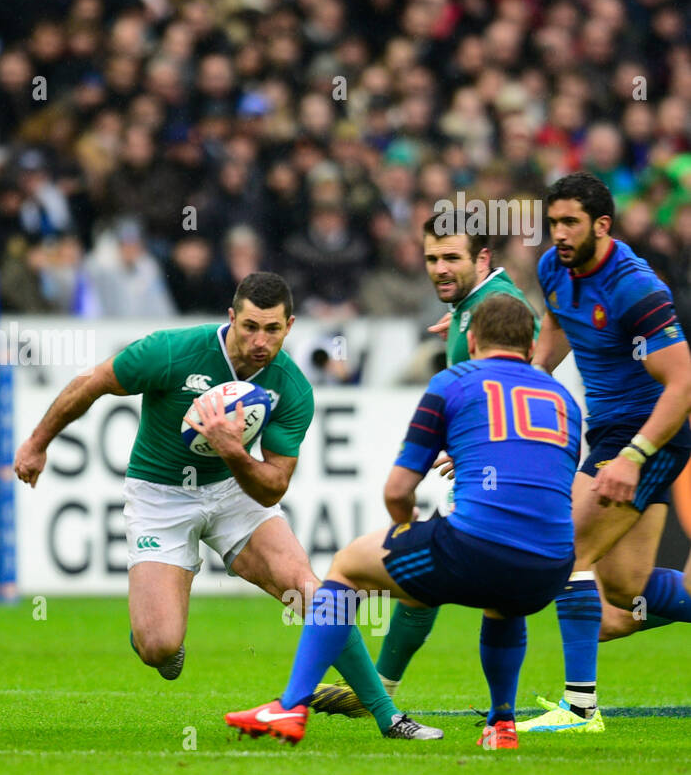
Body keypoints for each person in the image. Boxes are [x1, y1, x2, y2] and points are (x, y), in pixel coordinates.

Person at [14, 272, 441, 741]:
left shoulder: (292, 388)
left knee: (310, 590)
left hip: (233, 492)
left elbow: (272, 488)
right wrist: (37, 443)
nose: (260, 341)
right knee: (158, 647)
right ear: (231, 318)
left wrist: (233, 451)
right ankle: (162, 613)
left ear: (290, 326)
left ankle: (387, 716)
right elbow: (91, 383)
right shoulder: (173, 351)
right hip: (160, 496)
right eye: (251, 327)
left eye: (273, 329)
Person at [226, 295, 581, 749]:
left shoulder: (453, 381)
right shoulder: (564, 399)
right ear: (532, 347)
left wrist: (403, 527)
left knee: (348, 566)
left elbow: (397, 489)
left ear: (470, 340)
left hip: (476, 548)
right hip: (551, 565)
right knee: (505, 600)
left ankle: (290, 706)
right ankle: (502, 724)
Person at [312, 210, 538, 715]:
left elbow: (533, 359)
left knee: (387, 571)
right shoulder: (473, 306)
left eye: (452, 258)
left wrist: (495, 438)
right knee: (443, 587)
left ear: (482, 258)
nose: (439, 268)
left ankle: (309, 697)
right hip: (494, 476)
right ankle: (391, 693)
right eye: (432, 257)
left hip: (496, 479)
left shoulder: (497, 306)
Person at [517, 172, 691, 733]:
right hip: (611, 435)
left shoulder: (636, 288)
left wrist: (635, 456)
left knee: (569, 551)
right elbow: (554, 334)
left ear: (602, 225)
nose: (559, 235)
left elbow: (683, 383)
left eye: (570, 223)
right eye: (553, 224)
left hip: (652, 434)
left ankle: (580, 709)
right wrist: (519, 389)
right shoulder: (554, 268)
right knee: (625, 590)